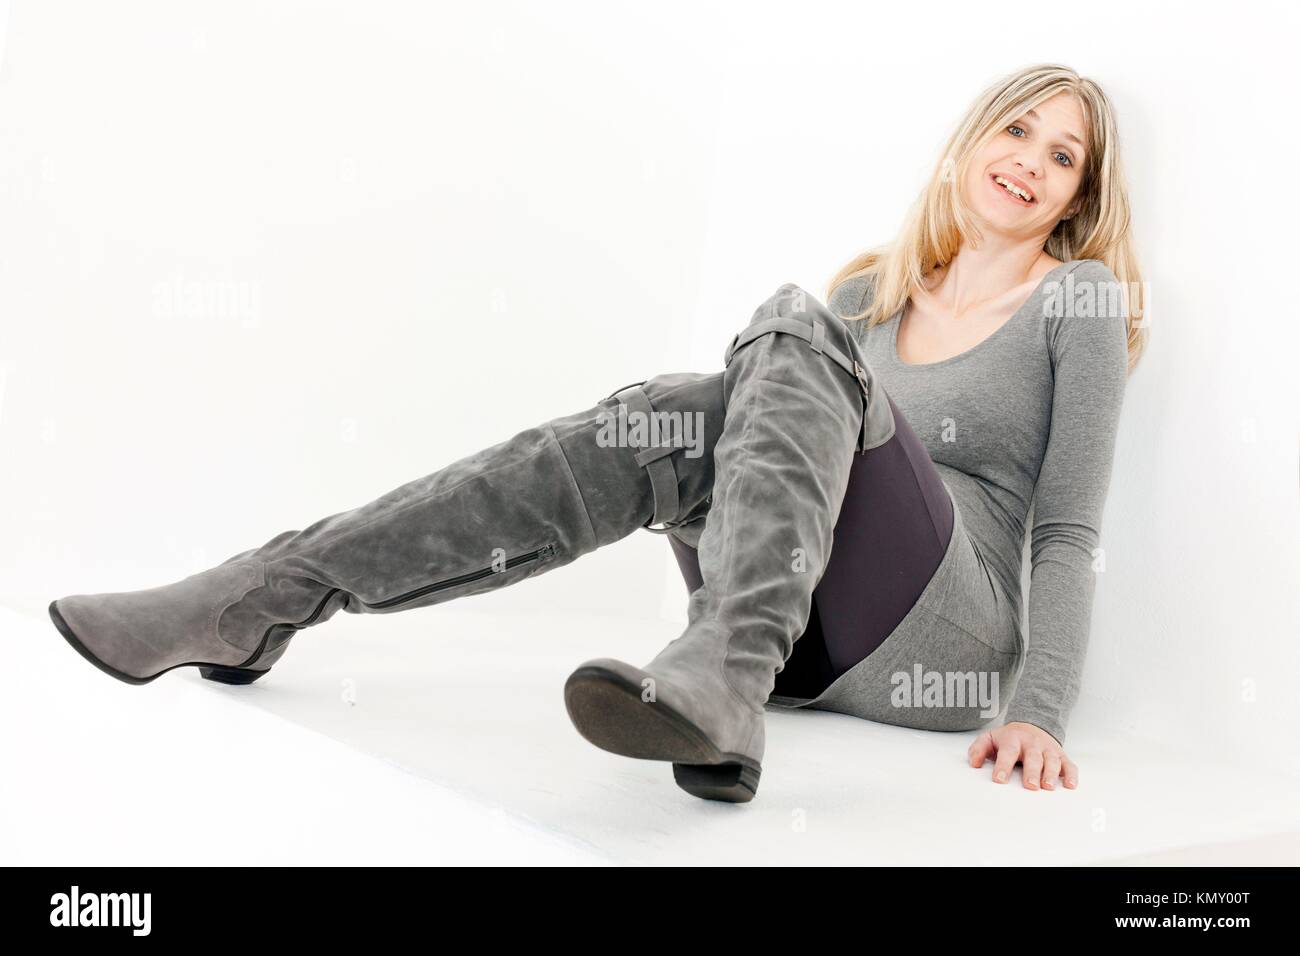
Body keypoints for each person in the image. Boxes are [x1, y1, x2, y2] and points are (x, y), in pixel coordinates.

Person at [48, 62, 1145, 804]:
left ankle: (723, 665)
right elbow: (765, 451)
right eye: (1017, 130)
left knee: (784, 329)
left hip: (942, 642)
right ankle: (266, 593)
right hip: (802, 650)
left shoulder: (1078, 301)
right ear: (971, 142)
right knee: (671, 417)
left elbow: (1066, 528)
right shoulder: (871, 292)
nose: (1029, 162)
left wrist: (1041, 709)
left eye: (1061, 158)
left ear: (1074, 197)